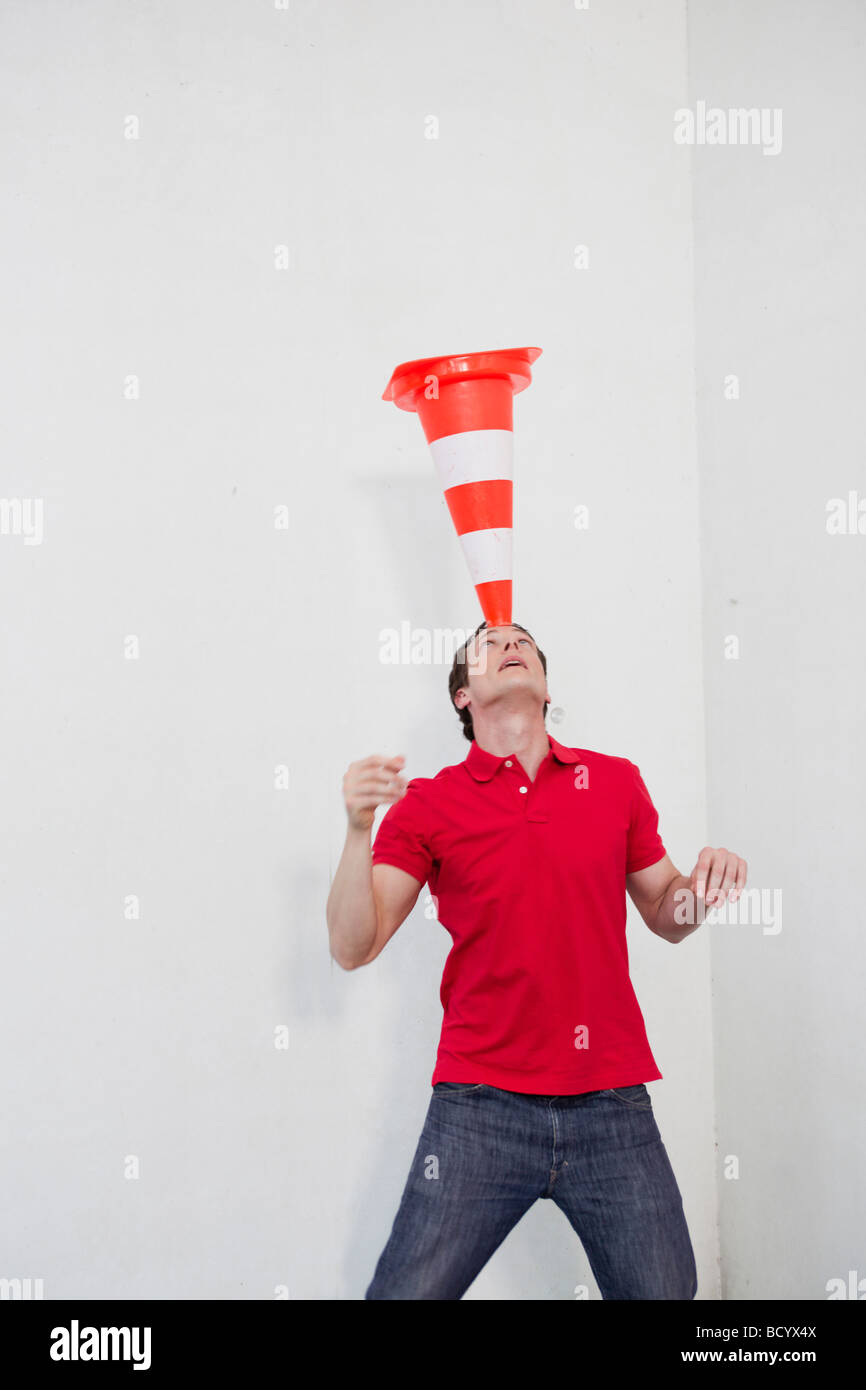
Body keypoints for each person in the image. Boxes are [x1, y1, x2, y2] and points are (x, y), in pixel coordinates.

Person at [326, 621, 747, 1300]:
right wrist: (356, 831)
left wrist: (701, 893)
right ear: (463, 696)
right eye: (488, 645)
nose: (509, 644)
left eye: (522, 641)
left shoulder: (615, 783)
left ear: (545, 686)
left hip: (612, 1103)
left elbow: (669, 917)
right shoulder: (428, 805)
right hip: (479, 1105)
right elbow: (354, 945)